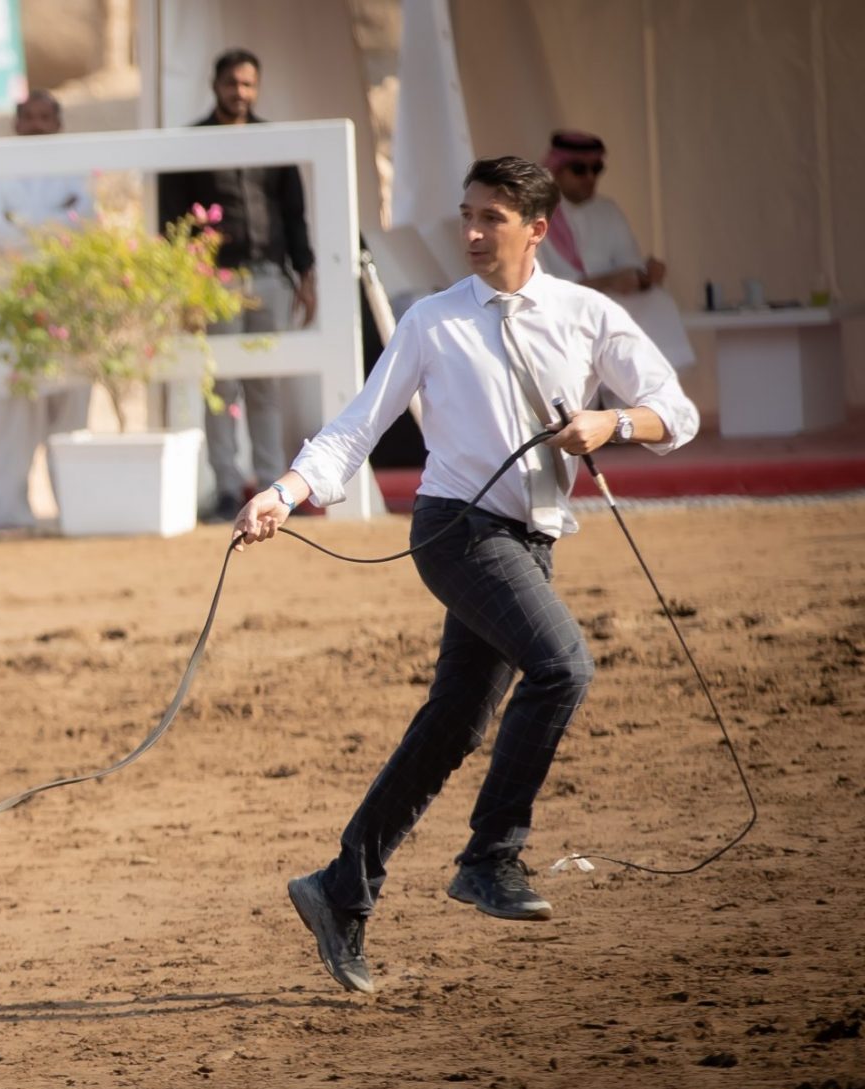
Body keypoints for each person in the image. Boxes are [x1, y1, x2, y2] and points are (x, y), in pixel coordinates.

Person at [232, 157, 698, 995]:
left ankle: (341, 888)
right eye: (467, 216)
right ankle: (491, 855)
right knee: (564, 665)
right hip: (454, 528)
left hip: (532, 541)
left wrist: (613, 420)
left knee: (455, 723)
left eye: (492, 218)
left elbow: (679, 414)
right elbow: (356, 426)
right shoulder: (430, 321)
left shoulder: (588, 314)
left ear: (535, 228)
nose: (474, 233)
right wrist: (284, 491)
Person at [156, 48, 317, 522]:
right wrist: (185, 288)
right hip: (215, 280)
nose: (240, 93)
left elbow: (294, 215)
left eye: (248, 84)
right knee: (221, 385)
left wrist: (305, 275)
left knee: (265, 385)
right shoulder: (190, 143)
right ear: (216, 85)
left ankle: (271, 488)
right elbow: (174, 224)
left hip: (270, 275)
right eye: (233, 84)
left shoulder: (274, 140)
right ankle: (228, 488)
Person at [0, 90, 96, 534]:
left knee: (71, 416)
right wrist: (55, 227)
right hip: (11, 307)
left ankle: (75, 511)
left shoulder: (77, 169)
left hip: (70, 308)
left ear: (59, 123)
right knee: (10, 414)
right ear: (17, 123)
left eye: (48, 117)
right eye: (31, 117)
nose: (39, 125)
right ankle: (11, 517)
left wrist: (22, 225)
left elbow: (88, 225)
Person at [537, 130, 693, 369]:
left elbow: (628, 265)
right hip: (561, 313)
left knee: (657, 300)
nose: (590, 177)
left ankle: (650, 390)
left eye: (596, 169)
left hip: (610, 307)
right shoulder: (536, 216)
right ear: (556, 170)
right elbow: (543, 286)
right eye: (579, 170)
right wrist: (607, 282)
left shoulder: (607, 210)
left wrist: (646, 275)